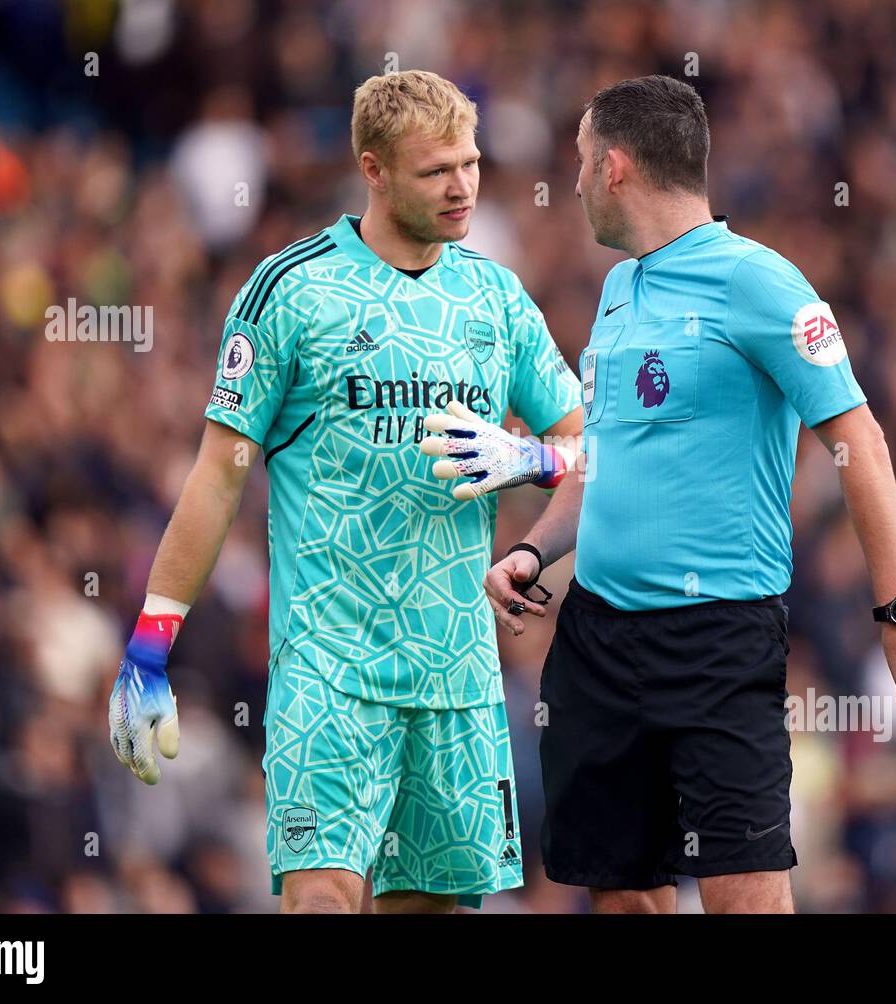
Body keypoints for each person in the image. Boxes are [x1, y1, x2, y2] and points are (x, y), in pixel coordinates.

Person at [107, 69, 583, 914]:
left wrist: (527, 460)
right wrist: (151, 640)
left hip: (458, 674)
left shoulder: (496, 298)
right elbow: (219, 472)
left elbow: (590, 452)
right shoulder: (290, 290)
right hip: (331, 669)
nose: (463, 185)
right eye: (437, 169)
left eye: (470, 163)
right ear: (373, 169)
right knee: (321, 899)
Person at [484, 75, 896, 914]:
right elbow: (603, 460)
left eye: (584, 163)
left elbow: (860, 442)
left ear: (618, 166)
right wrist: (533, 551)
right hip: (597, 641)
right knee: (623, 897)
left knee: (746, 898)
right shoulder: (617, 290)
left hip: (717, 643)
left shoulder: (759, 284)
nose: (580, 183)